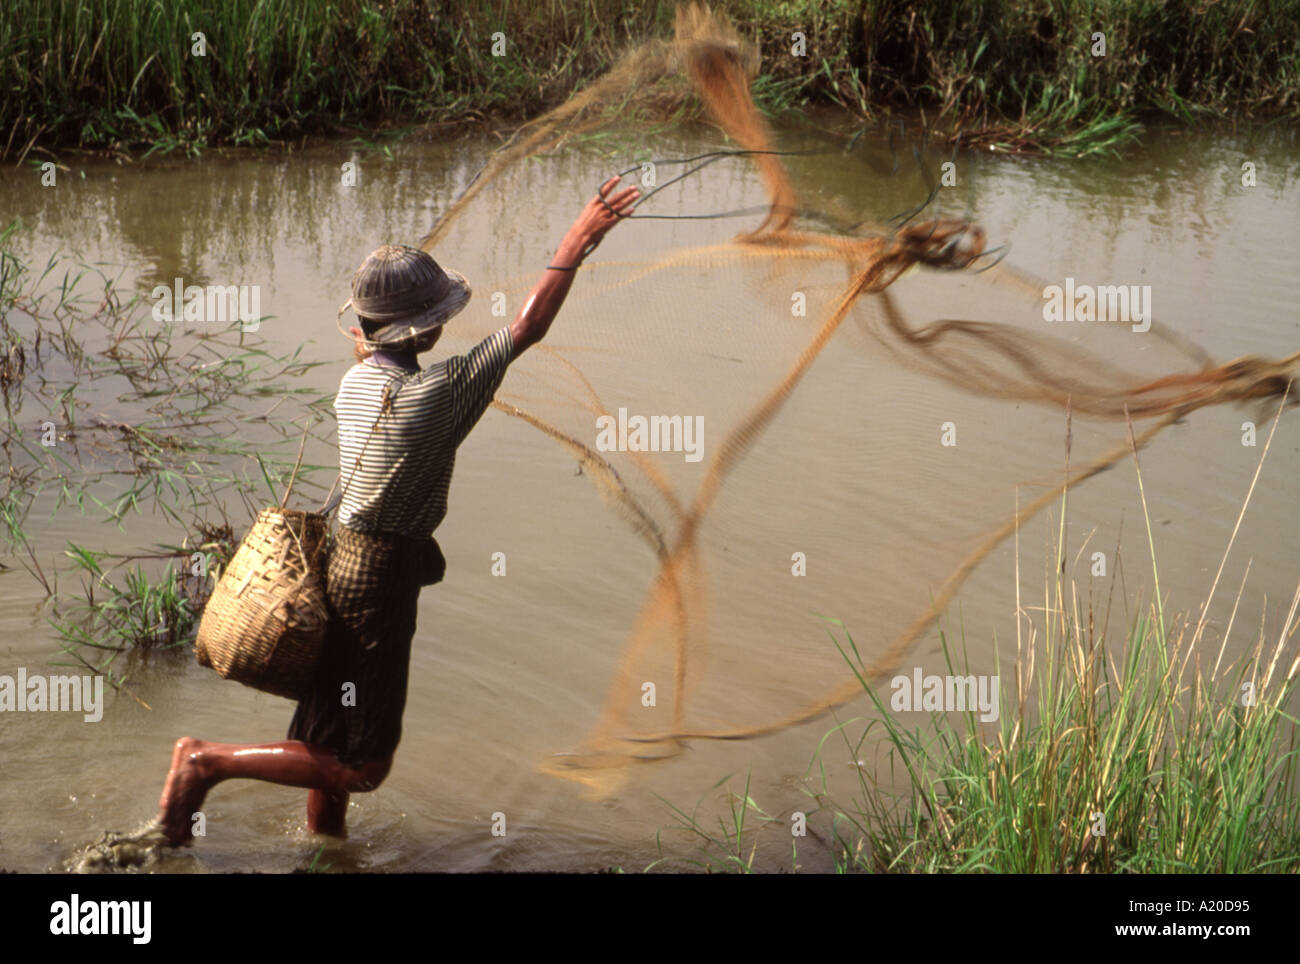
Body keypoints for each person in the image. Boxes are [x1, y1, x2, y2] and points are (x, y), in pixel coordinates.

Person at [157, 175, 640, 844]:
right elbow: (527, 328)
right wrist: (576, 240)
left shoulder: (357, 382)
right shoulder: (438, 396)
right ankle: (205, 763)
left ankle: (326, 850)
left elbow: (388, 356)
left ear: (363, 328)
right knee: (362, 763)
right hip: (377, 581)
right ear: (431, 326)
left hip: (338, 563)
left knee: (329, 733)